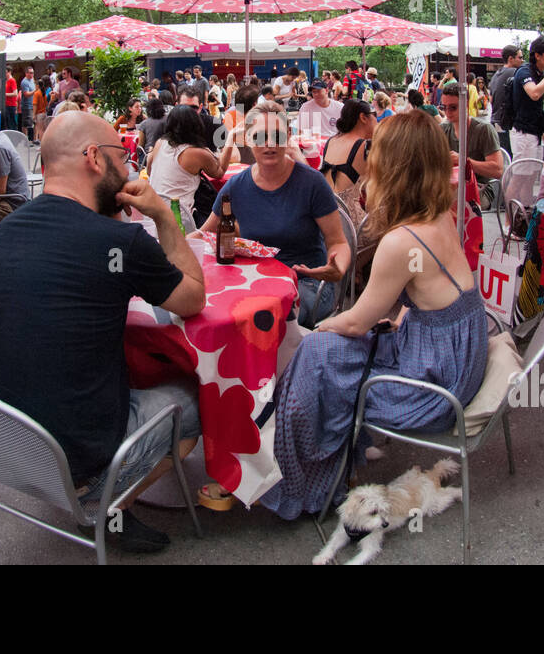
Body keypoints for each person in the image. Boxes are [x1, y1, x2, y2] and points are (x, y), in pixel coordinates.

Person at [0, 110, 206, 552]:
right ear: (95, 158)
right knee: (194, 399)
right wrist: (161, 214)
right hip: (71, 459)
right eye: (122, 156)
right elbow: (193, 298)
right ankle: (102, 503)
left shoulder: (8, 228)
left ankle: (99, 489)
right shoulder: (122, 243)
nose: (129, 167)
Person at [257, 111, 488, 519]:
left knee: (315, 357)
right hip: (453, 355)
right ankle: (334, 459)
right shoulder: (438, 214)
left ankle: (305, 483)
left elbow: (355, 321)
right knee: (327, 353)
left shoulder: (403, 240)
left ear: (391, 165)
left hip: (435, 382)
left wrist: (311, 333)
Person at [200, 103, 350, 329]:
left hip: (307, 283)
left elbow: (338, 241)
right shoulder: (236, 186)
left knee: (259, 318)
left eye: (277, 135)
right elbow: (204, 235)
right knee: (217, 313)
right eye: (260, 136)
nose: (269, 144)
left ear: (288, 136)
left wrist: (337, 267)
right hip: (255, 281)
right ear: (248, 139)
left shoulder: (311, 183)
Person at [147, 105, 232, 230]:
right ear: (196, 125)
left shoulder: (160, 143)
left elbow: (149, 171)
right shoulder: (196, 153)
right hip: (180, 218)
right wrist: (230, 141)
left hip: (154, 212)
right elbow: (220, 172)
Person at [320, 99, 375, 223]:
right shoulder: (364, 146)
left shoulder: (331, 141)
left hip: (327, 215)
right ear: (363, 117)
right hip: (353, 223)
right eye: (374, 115)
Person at [438, 82, 503, 183]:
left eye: (453, 107)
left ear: (466, 104)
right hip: (451, 186)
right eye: (444, 107)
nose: (447, 112)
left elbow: (497, 170)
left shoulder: (484, 129)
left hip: (480, 187)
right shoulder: (442, 130)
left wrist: (464, 161)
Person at [511, 37, 544, 161]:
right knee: (521, 175)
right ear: (537, 56)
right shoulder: (524, 71)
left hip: (535, 132)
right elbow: (534, 94)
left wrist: (543, 129)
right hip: (524, 132)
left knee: (533, 173)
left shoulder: (538, 73)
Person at [489, 45, 524, 153]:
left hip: (496, 121)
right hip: (506, 123)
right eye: (520, 57)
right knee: (509, 156)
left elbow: (491, 98)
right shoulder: (514, 73)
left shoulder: (497, 74)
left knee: (503, 155)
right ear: (510, 59)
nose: (522, 61)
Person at [19, 66, 37, 136]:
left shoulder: (32, 80)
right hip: (27, 105)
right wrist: (35, 91)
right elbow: (26, 94)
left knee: (35, 122)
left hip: (33, 104)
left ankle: (35, 139)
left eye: (32, 73)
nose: (32, 74)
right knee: (26, 124)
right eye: (30, 73)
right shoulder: (24, 82)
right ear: (26, 73)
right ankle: (25, 139)